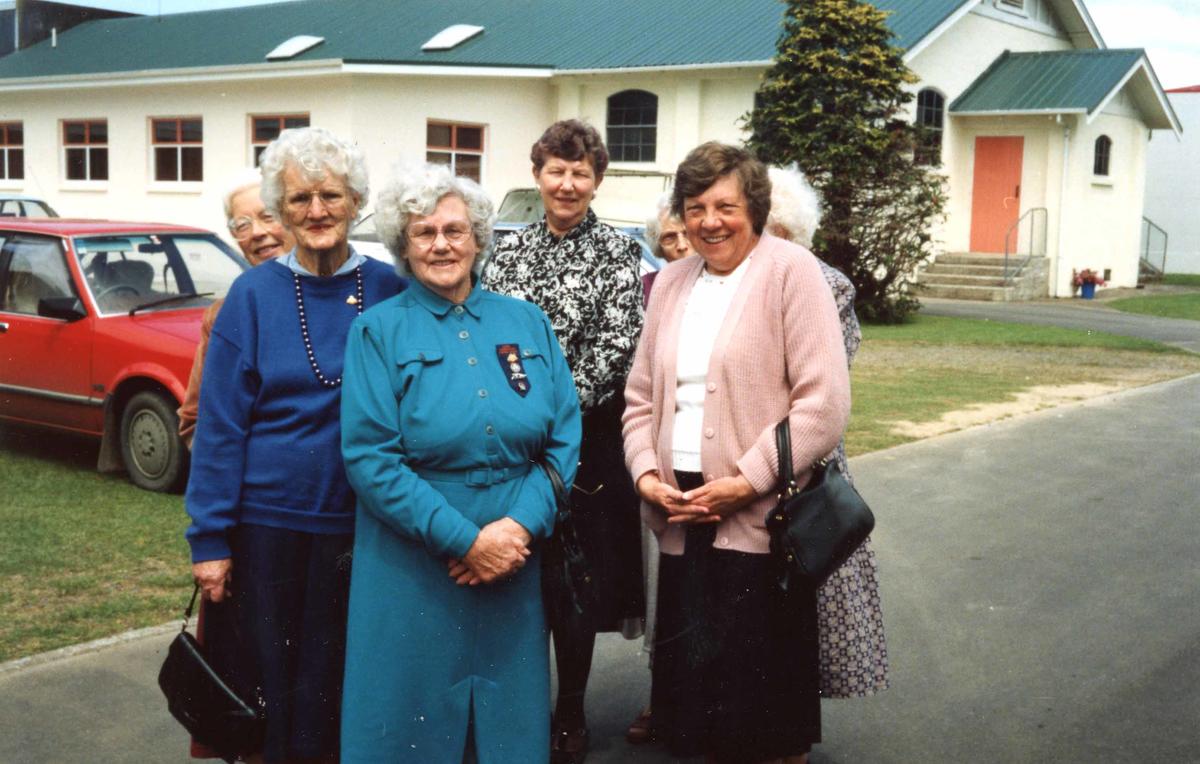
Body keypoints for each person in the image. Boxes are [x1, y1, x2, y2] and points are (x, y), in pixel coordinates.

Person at [338, 162, 582, 763]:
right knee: (410, 728)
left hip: (514, 556)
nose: (441, 244)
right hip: (416, 564)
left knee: (505, 728)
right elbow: (371, 459)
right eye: (424, 233)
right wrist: (466, 541)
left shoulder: (526, 321)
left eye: (454, 230)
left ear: (478, 237)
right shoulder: (377, 331)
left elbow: (564, 438)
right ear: (403, 244)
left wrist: (518, 527)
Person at [623, 142, 851, 764]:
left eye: (724, 205)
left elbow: (823, 406)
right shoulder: (669, 282)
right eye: (694, 208)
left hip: (760, 512)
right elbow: (640, 397)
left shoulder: (792, 272)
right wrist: (645, 472)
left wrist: (747, 481)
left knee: (760, 708)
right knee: (695, 708)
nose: (709, 221)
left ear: (754, 206)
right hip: (681, 506)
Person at [184, 127, 404, 764]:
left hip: (367, 524)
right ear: (281, 209)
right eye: (300, 198)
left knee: (346, 684)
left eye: (331, 195)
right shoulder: (251, 297)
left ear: (356, 200)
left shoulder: (391, 287)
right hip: (269, 528)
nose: (316, 211)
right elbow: (220, 428)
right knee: (275, 694)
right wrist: (210, 540)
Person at [481, 119, 644, 764]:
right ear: (538, 174)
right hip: (504, 443)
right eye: (556, 170)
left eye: (581, 172)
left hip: (579, 446)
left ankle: (570, 708)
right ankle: (511, 708)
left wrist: (545, 415)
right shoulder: (510, 251)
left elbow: (615, 349)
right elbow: (490, 333)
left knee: (572, 583)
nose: (567, 183)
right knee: (513, 575)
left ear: (597, 180)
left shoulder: (619, 253)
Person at [765, 164, 890, 700]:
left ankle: (791, 723)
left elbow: (817, 381)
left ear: (790, 233)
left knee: (808, 575)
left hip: (804, 453)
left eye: (768, 229)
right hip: (755, 448)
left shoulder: (828, 284)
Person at [626, 190, 695, 746]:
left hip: (708, 459)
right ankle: (662, 696)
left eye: (683, 235)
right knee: (660, 588)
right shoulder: (653, 289)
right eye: (667, 239)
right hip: (655, 457)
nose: (677, 245)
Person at [177, 169, 294, 449]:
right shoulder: (223, 315)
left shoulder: (343, 296)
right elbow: (194, 421)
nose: (257, 233)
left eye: (268, 216)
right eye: (242, 225)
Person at [641, 192, 693, 304]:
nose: (682, 246)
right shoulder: (646, 288)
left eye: (688, 234)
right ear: (658, 248)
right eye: (669, 237)